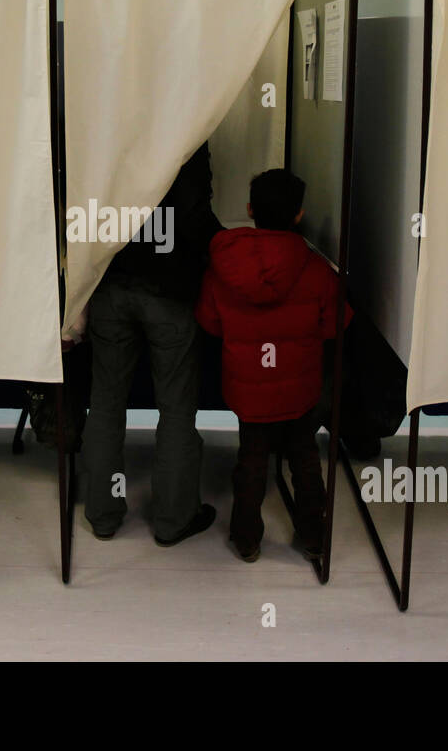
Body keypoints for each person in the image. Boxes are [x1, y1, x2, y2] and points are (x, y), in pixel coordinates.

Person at [195, 168, 348, 563]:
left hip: (248, 390)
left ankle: (247, 538)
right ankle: (314, 534)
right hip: (299, 390)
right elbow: (337, 323)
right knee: (304, 457)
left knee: (251, 460)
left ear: (249, 209)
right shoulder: (314, 269)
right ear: (299, 215)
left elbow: (209, 322)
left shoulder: (223, 267)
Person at [81, 143, 222, 546]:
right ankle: (173, 520)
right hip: (170, 293)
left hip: (111, 283)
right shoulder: (188, 136)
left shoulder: (113, 128)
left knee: (105, 403)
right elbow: (195, 219)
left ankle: (102, 515)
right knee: (176, 410)